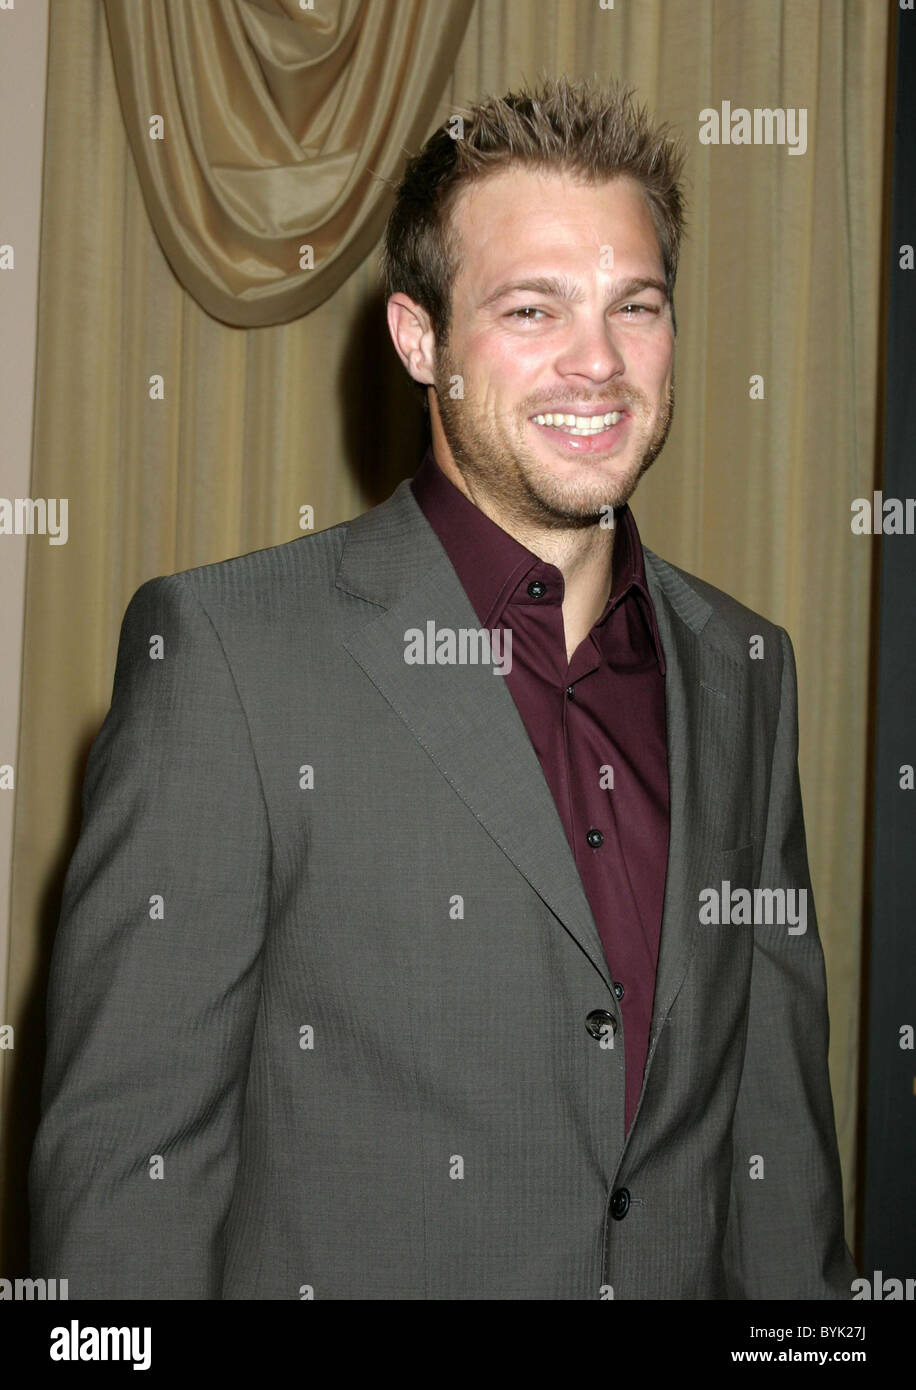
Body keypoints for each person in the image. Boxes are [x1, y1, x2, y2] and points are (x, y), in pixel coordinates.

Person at [29, 76, 856, 1300]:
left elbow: (776, 1157)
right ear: (420, 339)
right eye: (533, 308)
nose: (598, 363)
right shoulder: (228, 653)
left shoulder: (746, 669)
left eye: (636, 305)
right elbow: (124, 1193)